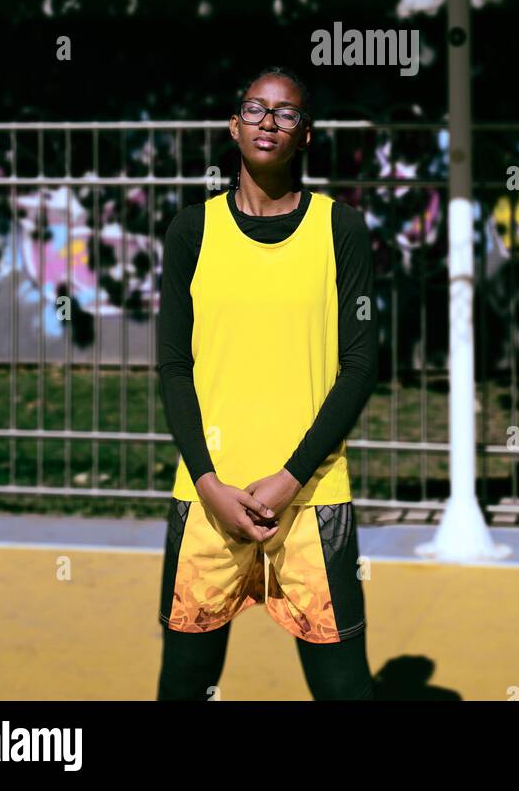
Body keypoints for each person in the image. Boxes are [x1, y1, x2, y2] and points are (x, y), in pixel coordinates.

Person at [156, 65, 379, 700]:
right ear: (234, 125)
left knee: (343, 687)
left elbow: (359, 366)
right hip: (210, 497)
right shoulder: (191, 231)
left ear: (304, 135)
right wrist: (207, 481)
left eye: (286, 113)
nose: (269, 122)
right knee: (185, 684)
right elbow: (175, 368)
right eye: (256, 109)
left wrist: (290, 479)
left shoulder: (341, 230)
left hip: (310, 498)